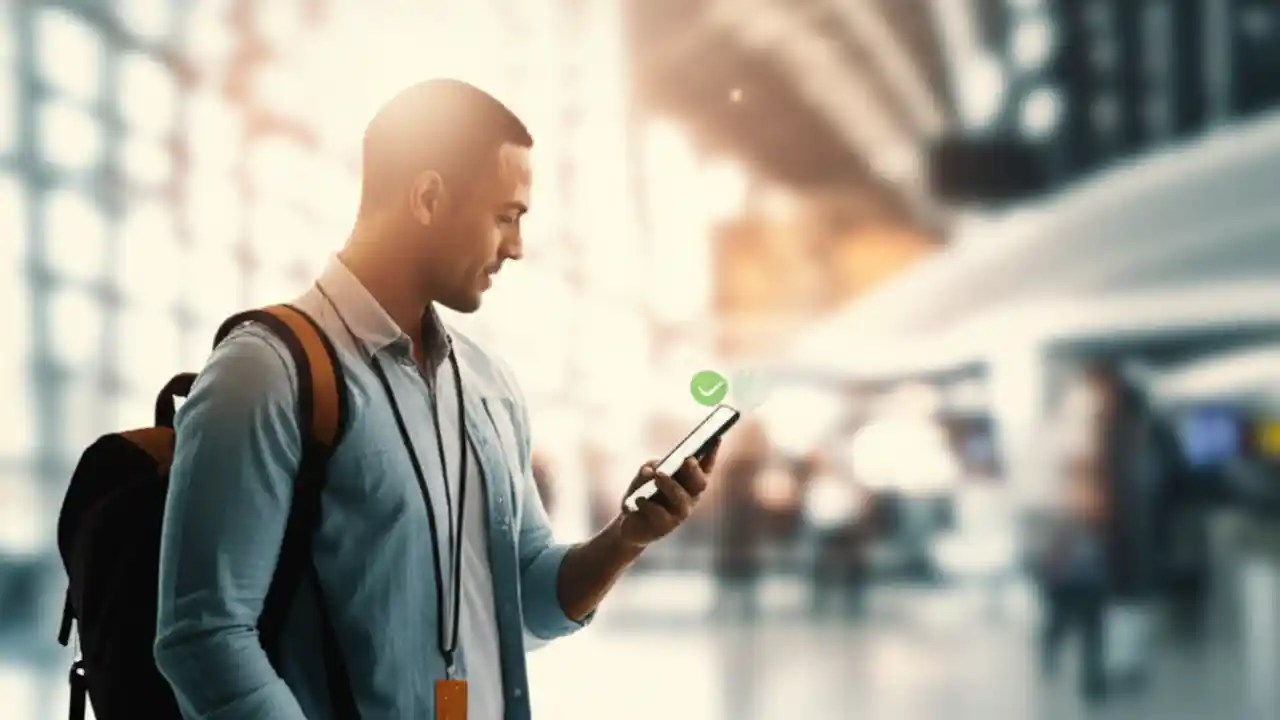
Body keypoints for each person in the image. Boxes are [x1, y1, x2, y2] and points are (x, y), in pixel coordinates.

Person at [154, 79, 720, 720]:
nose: (517, 246)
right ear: (427, 196)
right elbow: (204, 639)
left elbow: (527, 598)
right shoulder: (264, 372)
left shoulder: (487, 385)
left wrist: (626, 538)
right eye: (505, 216)